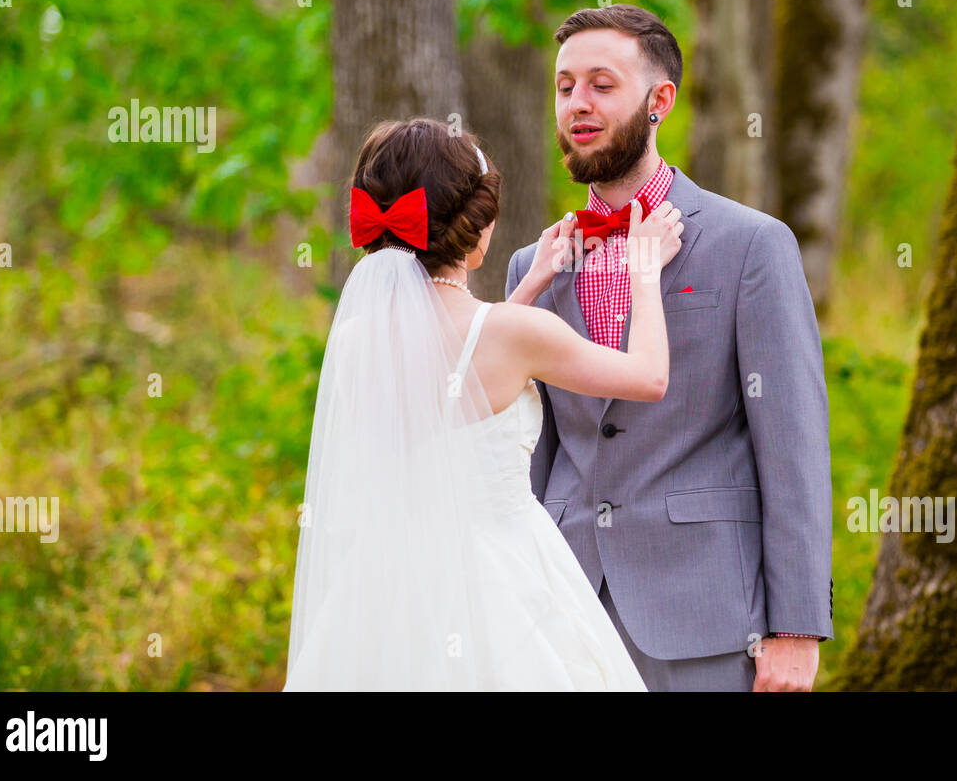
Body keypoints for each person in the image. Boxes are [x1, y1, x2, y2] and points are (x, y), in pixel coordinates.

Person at [284, 116, 682, 690]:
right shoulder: (514, 334)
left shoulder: (354, 339)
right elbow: (648, 376)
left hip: (386, 586)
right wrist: (643, 274)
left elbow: (450, 386)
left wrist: (531, 285)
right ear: (478, 224)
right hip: (503, 578)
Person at [506, 4, 834, 691]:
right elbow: (532, 452)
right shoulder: (532, 265)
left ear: (660, 101)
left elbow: (793, 444)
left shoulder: (752, 246)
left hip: (707, 617)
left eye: (602, 85)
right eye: (564, 87)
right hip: (562, 608)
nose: (577, 103)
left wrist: (797, 627)